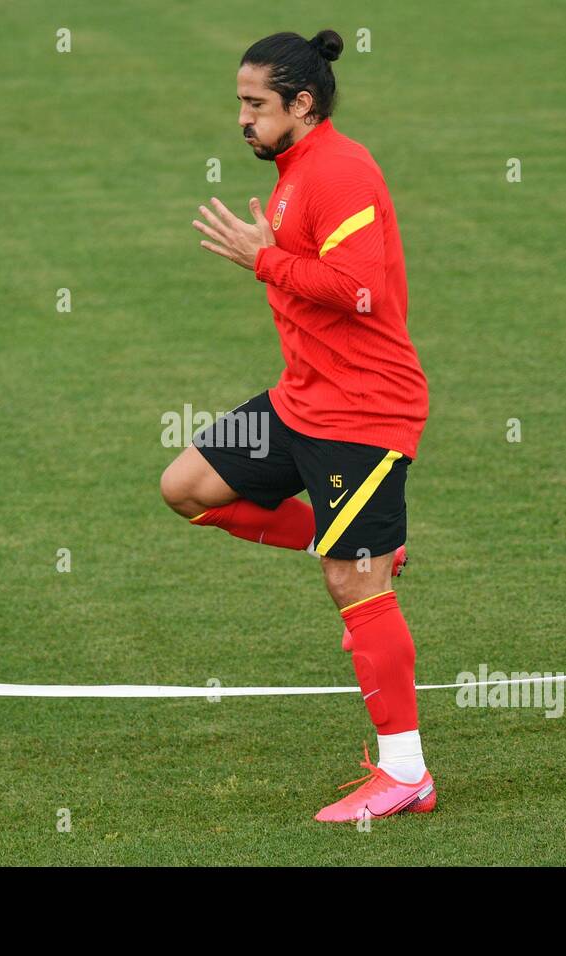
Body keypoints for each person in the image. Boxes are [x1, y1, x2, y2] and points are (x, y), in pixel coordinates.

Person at [160, 29, 435, 822]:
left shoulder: (342, 171)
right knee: (188, 487)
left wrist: (262, 259)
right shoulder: (292, 172)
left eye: (256, 106)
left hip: (365, 411)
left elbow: (360, 292)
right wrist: (270, 253)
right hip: (301, 401)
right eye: (239, 104)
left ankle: (407, 772)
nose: (241, 119)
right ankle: (356, 537)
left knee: (352, 582)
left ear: (302, 103)